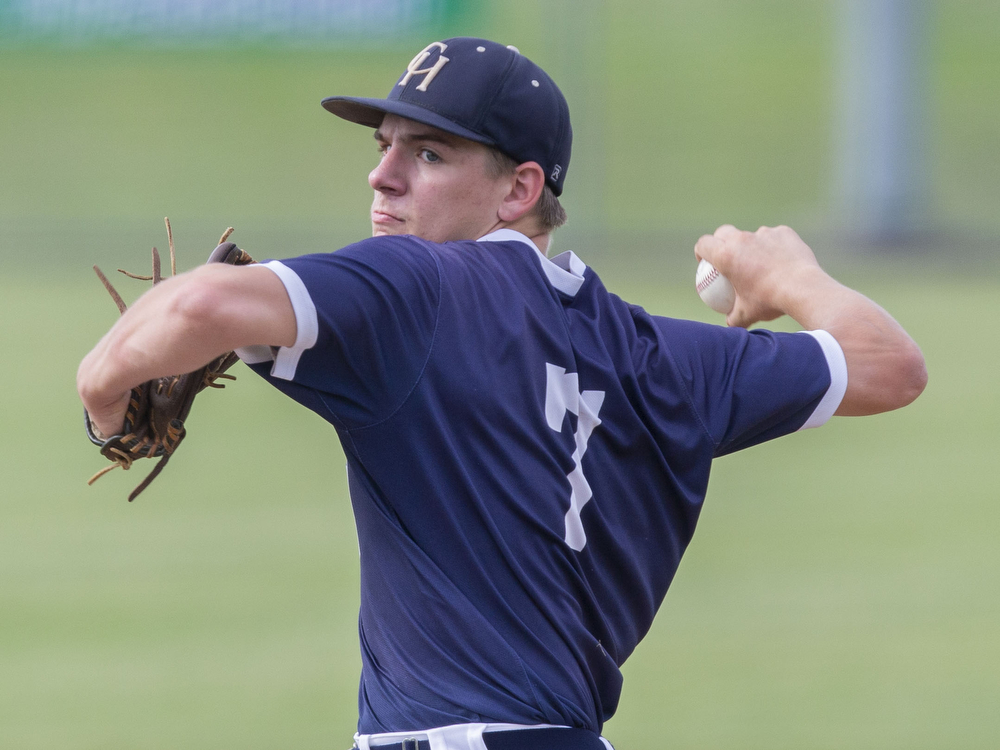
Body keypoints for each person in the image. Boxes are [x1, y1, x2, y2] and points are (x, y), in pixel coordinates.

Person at [77, 37, 927, 750]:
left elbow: (194, 305)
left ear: (520, 190)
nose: (385, 176)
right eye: (384, 145)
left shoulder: (415, 287)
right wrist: (793, 275)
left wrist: (101, 396)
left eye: (429, 153)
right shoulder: (667, 357)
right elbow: (889, 365)